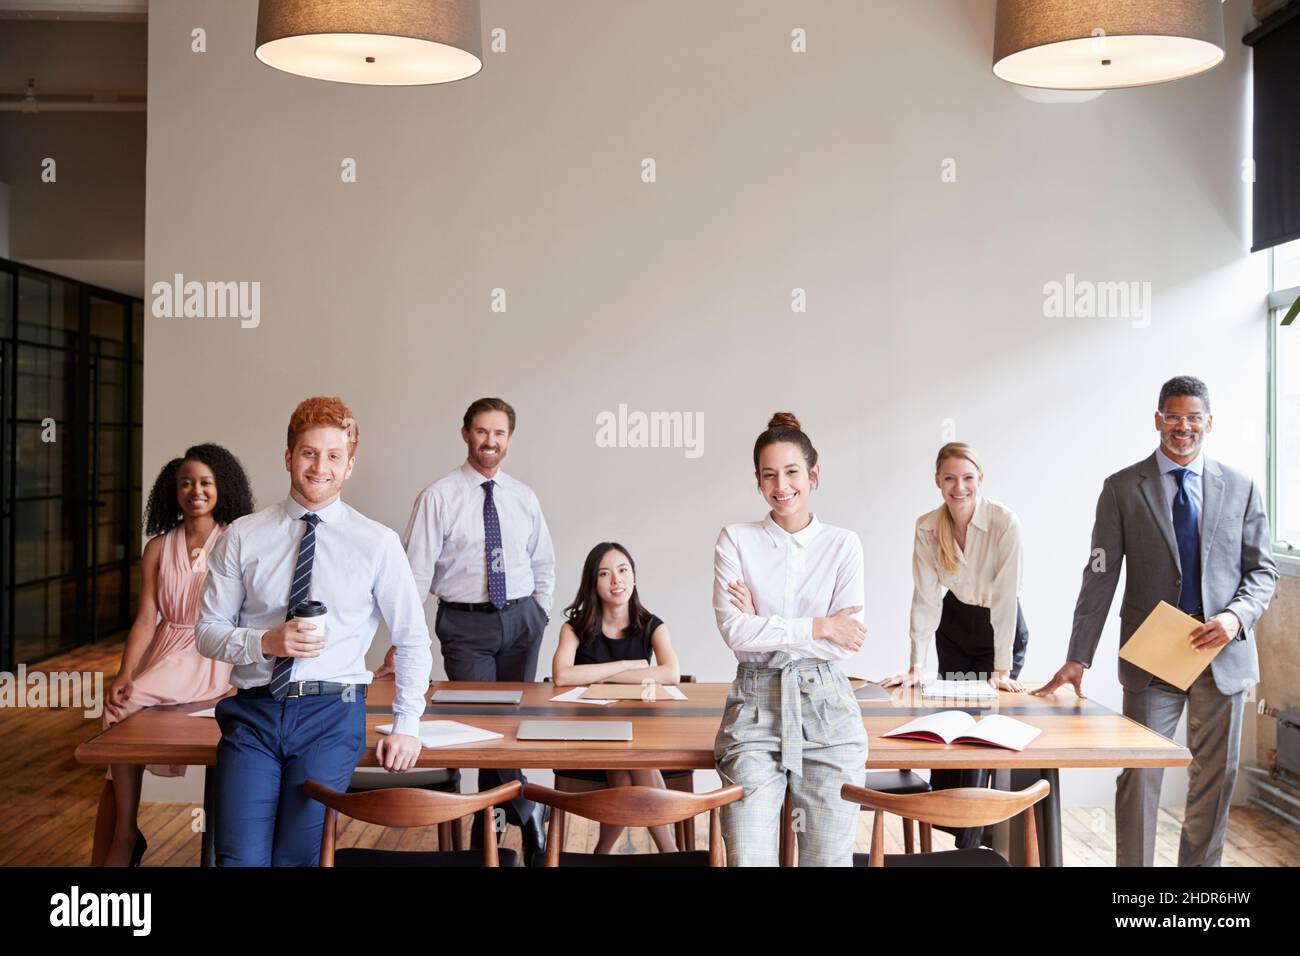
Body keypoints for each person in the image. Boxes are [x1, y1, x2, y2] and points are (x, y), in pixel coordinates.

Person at [1035, 376, 1277, 867]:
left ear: (1209, 422)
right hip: (1153, 657)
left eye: (1192, 418)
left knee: (1216, 775)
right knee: (1140, 773)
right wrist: (1078, 656)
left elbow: (1262, 570)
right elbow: (1099, 576)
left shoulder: (1243, 486)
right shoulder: (1123, 487)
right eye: (1172, 416)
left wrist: (1235, 618)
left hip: (1222, 654)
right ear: (1157, 420)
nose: (1182, 427)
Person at [196, 397, 432, 867]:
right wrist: (265, 641)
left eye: (333, 456)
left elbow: (411, 639)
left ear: (349, 466)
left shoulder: (377, 543)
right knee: (238, 859)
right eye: (308, 453)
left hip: (331, 715)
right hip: (254, 716)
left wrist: (407, 725)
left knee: (296, 859)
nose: (319, 466)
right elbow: (206, 631)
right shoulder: (242, 536)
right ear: (288, 457)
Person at [395, 397, 556, 864]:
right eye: (482, 431)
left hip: (522, 619)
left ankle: (487, 834)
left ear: (509, 438)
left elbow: (543, 561)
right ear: (465, 433)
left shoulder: (523, 497)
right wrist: (406, 643)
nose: (490, 441)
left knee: (514, 730)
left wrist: (539, 613)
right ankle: (527, 813)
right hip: (465, 625)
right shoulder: (439, 496)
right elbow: (414, 575)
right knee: (483, 731)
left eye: (499, 433)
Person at [712, 412, 869, 866]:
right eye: (768, 475)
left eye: (792, 471)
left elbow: (846, 642)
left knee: (826, 862)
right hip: (754, 711)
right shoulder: (735, 540)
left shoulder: (844, 545)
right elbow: (736, 633)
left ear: (814, 474)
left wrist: (766, 621)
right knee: (749, 858)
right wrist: (818, 624)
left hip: (828, 713)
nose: (781, 485)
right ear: (758, 481)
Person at [93, 444, 254, 867]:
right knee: (119, 705)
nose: (195, 491)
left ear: (222, 488)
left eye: (205, 482)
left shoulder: (238, 538)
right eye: (186, 483)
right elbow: (147, 617)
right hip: (169, 649)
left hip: (215, 652)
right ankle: (126, 832)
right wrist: (124, 673)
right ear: (173, 490)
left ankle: (220, 845)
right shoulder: (158, 548)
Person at [882, 441, 1030, 848]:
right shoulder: (927, 526)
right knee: (952, 725)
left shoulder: (1004, 522)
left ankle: (975, 841)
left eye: (967, 478)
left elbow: (1005, 598)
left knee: (984, 729)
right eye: (949, 478)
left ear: (980, 479)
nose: (959, 487)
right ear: (937, 482)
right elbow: (926, 597)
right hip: (954, 626)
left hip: (999, 629)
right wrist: (916, 664)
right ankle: (950, 826)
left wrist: (1002, 668)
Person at [552, 542, 682, 854]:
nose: (616, 580)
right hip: (587, 737)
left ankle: (602, 854)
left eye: (623, 571)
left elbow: (671, 674)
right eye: (605, 573)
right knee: (632, 762)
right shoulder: (576, 627)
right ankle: (673, 855)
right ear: (592, 583)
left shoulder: (651, 624)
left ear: (633, 578)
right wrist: (624, 666)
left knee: (628, 766)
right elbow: (562, 676)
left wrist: (597, 674)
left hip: (641, 733)